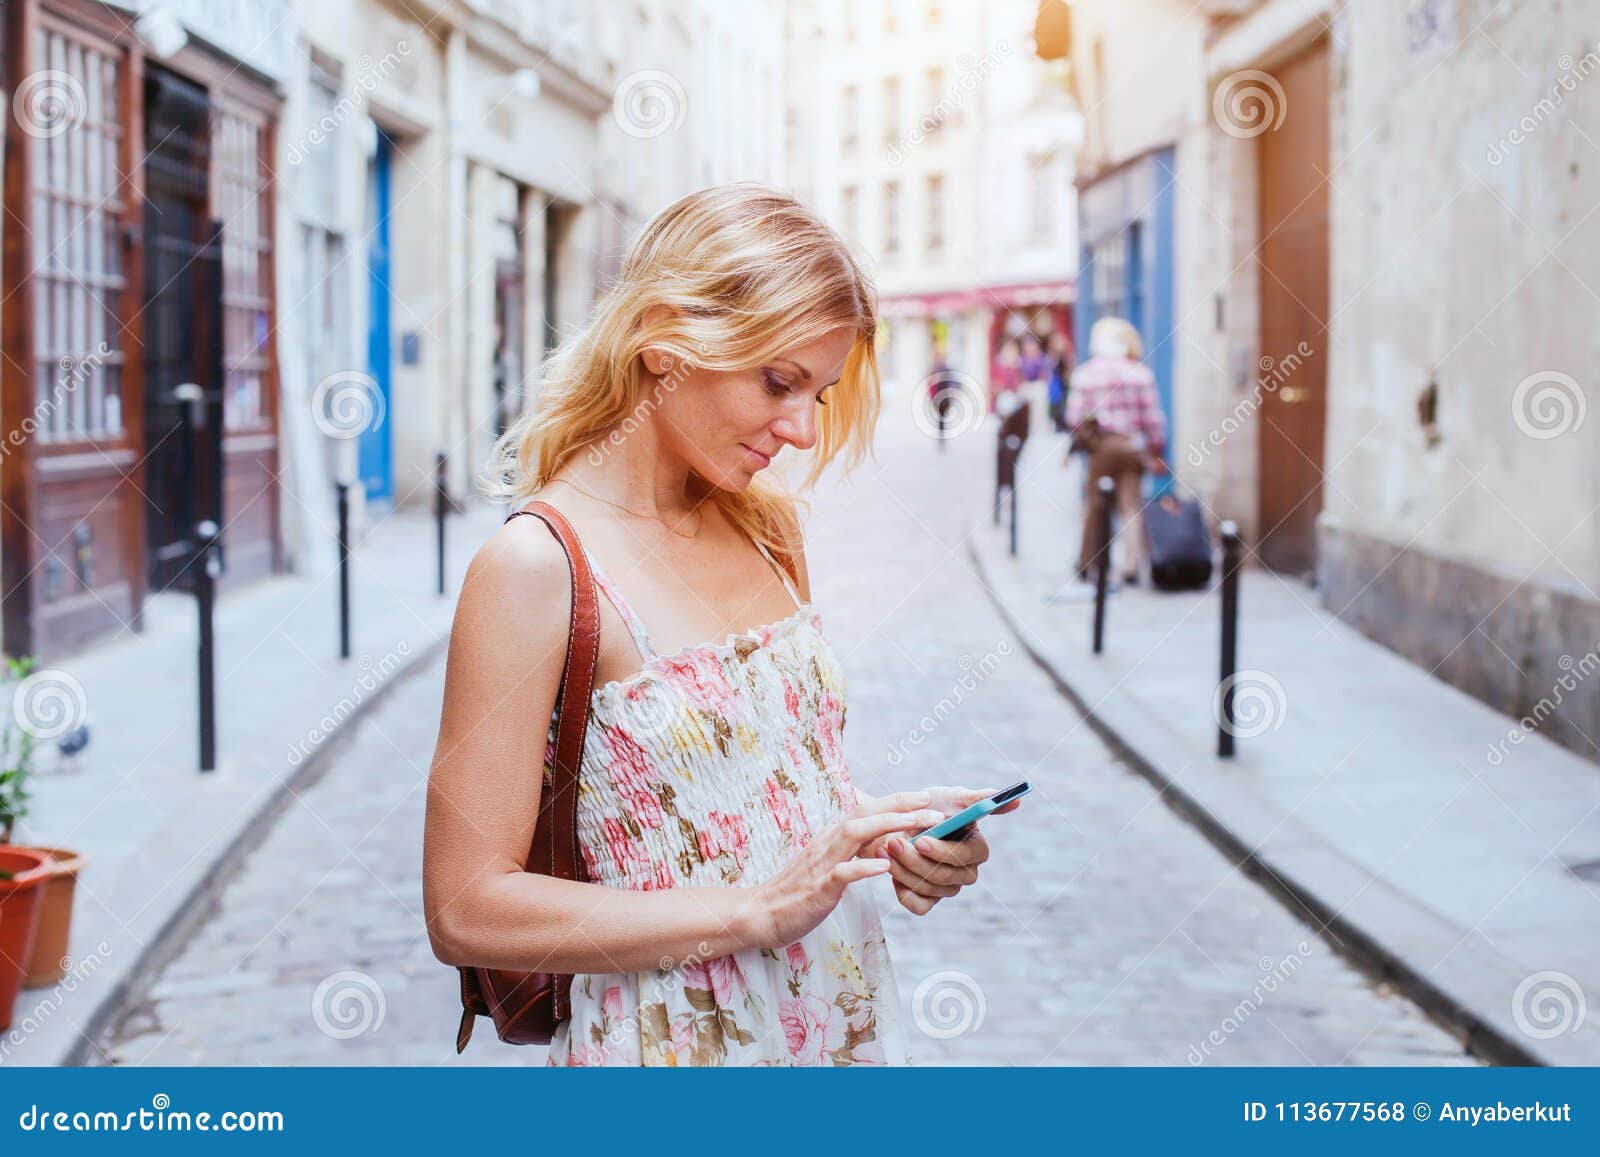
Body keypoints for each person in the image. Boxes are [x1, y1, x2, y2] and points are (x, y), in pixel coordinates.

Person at [423, 184, 1022, 1067]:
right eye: (779, 381)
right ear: (663, 340)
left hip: (838, 1021)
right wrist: (757, 911)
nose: (802, 428)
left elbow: (751, 798)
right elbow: (465, 906)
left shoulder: (767, 528)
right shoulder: (538, 566)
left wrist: (878, 836)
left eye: (819, 393)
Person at [1065, 317, 1168, 585]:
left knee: (1095, 504)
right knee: (1130, 504)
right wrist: (1157, 450)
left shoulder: (1086, 373)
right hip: (1133, 445)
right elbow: (1154, 420)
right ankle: (1131, 566)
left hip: (1102, 446)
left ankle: (1088, 562)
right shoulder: (1140, 374)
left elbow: (1074, 417)